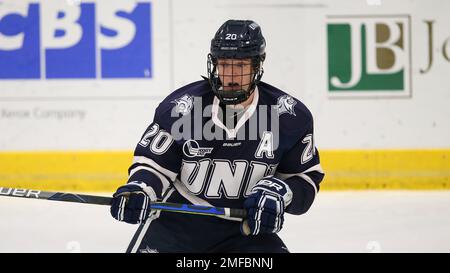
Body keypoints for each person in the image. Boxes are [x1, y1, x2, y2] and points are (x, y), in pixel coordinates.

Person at [110, 19, 324, 253]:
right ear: (214, 64)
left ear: (257, 66)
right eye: (224, 64)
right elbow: (155, 167)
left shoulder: (289, 116)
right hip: (178, 223)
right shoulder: (181, 109)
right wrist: (141, 188)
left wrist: (281, 192)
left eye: (240, 65)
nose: (230, 76)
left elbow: (305, 180)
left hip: (245, 230)